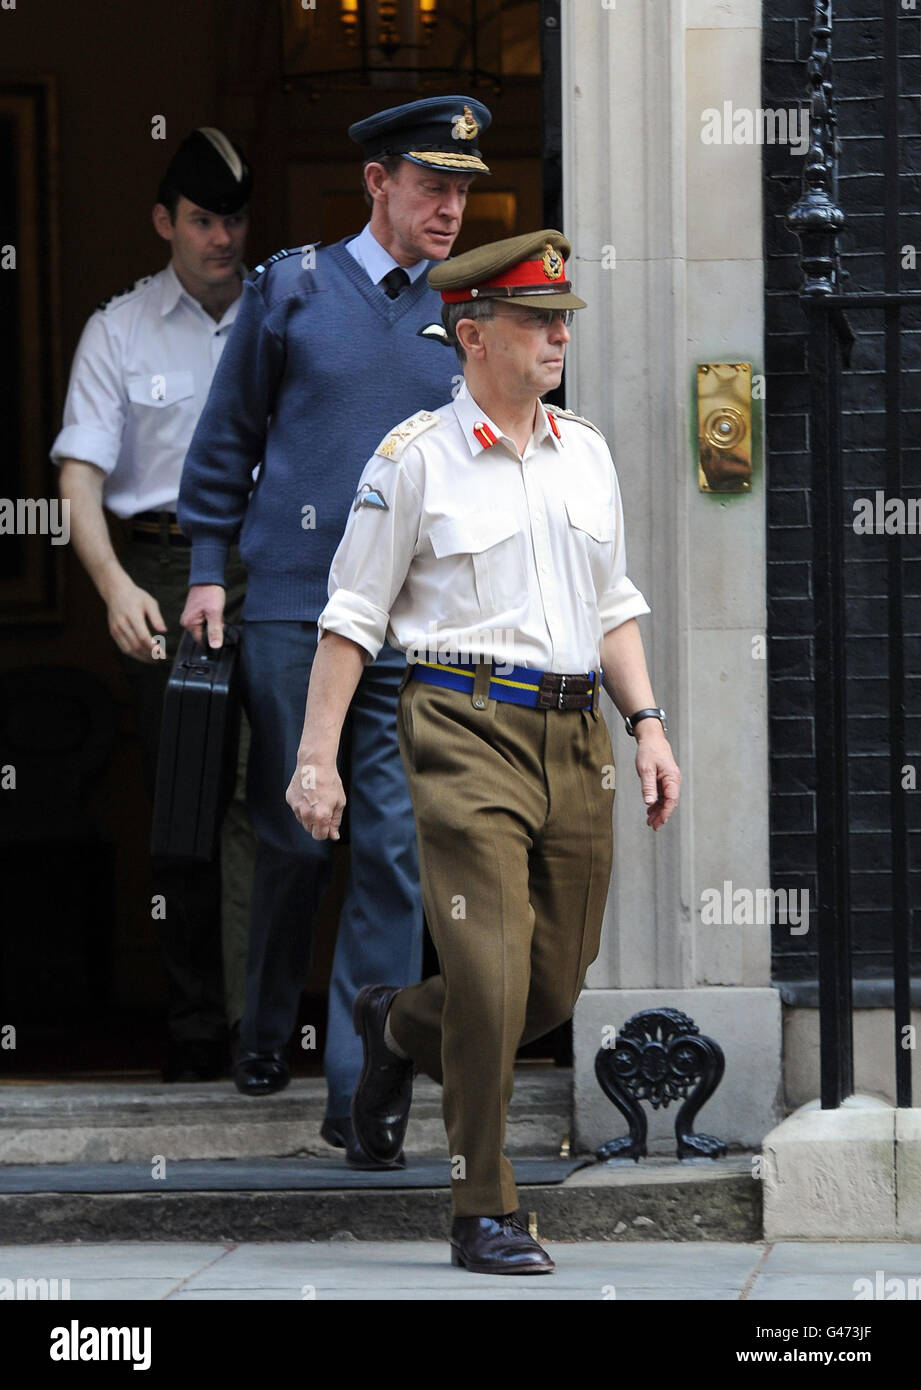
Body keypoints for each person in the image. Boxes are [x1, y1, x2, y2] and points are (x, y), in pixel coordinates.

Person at [285, 229, 681, 1272]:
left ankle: (394, 1027)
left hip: (574, 734)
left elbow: (614, 606)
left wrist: (647, 723)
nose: (558, 337)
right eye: (537, 322)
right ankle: (483, 1206)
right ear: (473, 336)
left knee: (548, 986)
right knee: (494, 972)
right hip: (460, 726)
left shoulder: (585, 451)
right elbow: (351, 617)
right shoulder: (411, 462)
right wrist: (316, 758)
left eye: (561, 321)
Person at [177, 97, 492, 1159]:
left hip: (410, 628)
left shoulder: (469, 311)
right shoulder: (292, 288)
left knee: (393, 849)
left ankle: (363, 1092)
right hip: (292, 610)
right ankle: (267, 1025)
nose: (451, 209)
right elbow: (228, 438)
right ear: (378, 183)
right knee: (290, 837)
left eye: (462, 190)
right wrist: (210, 570)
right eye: (431, 187)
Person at [53, 128, 255, 1082]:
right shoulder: (120, 328)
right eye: (204, 220)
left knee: (282, 802)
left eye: (234, 219)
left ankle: (267, 1028)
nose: (222, 238)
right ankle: (194, 1026)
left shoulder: (280, 314)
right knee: (184, 813)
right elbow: (79, 474)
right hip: (164, 576)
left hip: (276, 570)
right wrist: (112, 588)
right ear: (164, 222)